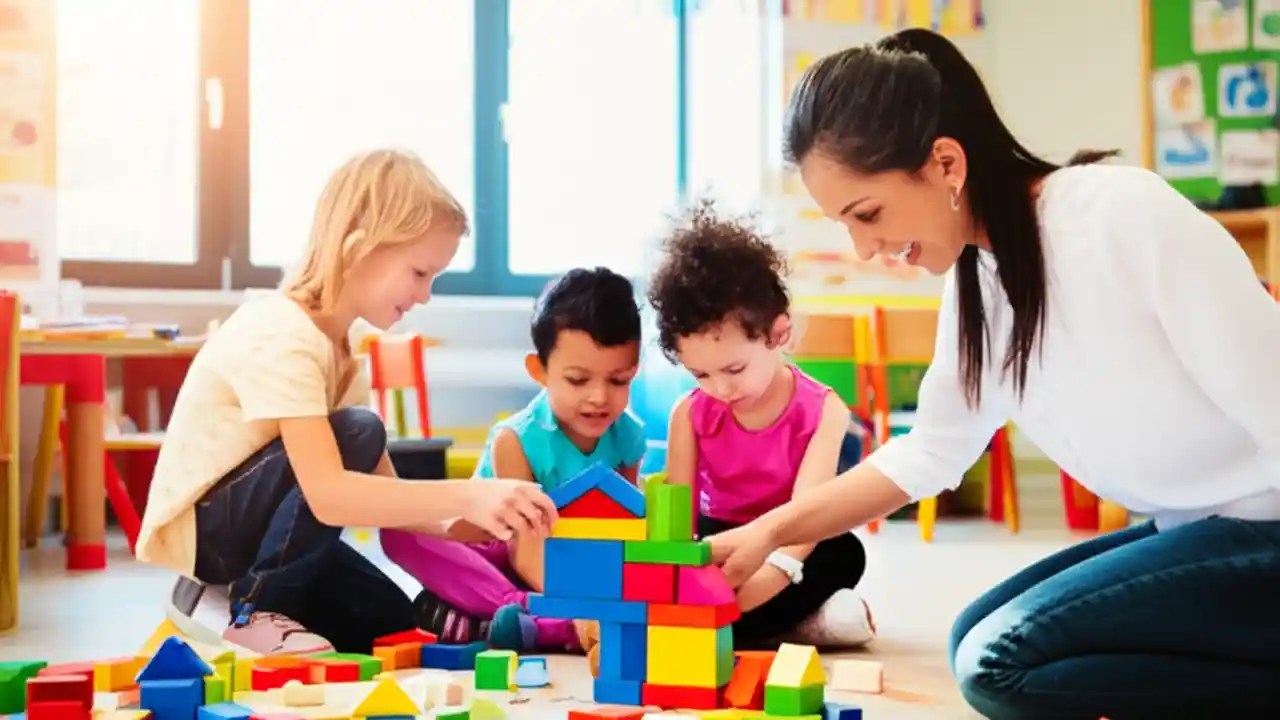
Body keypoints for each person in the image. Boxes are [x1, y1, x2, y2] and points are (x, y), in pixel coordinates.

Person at [704, 27, 1280, 719]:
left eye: (869, 214)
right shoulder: (982, 282)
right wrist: (769, 531)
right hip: (1193, 527)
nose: (864, 248)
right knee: (972, 638)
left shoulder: (1117, 215)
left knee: (999, 660)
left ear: (946, 163)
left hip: (1263, 529)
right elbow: (929, 455)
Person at [135, 149, 557, 656]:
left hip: (251, 536)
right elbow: (331, 496)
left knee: (386, 621)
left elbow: (385, 499)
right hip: (211, 538)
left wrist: (496, 522)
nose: (425, 296)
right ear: (361, 249)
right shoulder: (281, 331)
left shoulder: (340, 354)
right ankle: (250, 610)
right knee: (360, 429)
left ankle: (264, 602)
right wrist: (468, 495)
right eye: (420, 273)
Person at [646, 201, 876, 648]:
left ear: (777, 334)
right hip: (722, 537)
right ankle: (797, 627)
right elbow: (681, 523)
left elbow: (808, 519)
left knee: (845, 553)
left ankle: (764, 625)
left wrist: (759, 587)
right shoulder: (689, 414)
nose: (721, 389)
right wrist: (686, 580)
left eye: (733, 369)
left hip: (794, 541)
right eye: (700, 375)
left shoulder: (824, 411)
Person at [381, 266, 644, 656]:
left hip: (573, 560)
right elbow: (523, 550)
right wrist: (584, 608)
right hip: (502, 553)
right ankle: (545, 622)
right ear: (539, 371)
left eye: (618, 381)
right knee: (400, 532)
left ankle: (496, 624)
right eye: (577, 380)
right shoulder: (517, 439)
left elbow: (625, 526)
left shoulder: (628, 437)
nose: (599, 398)